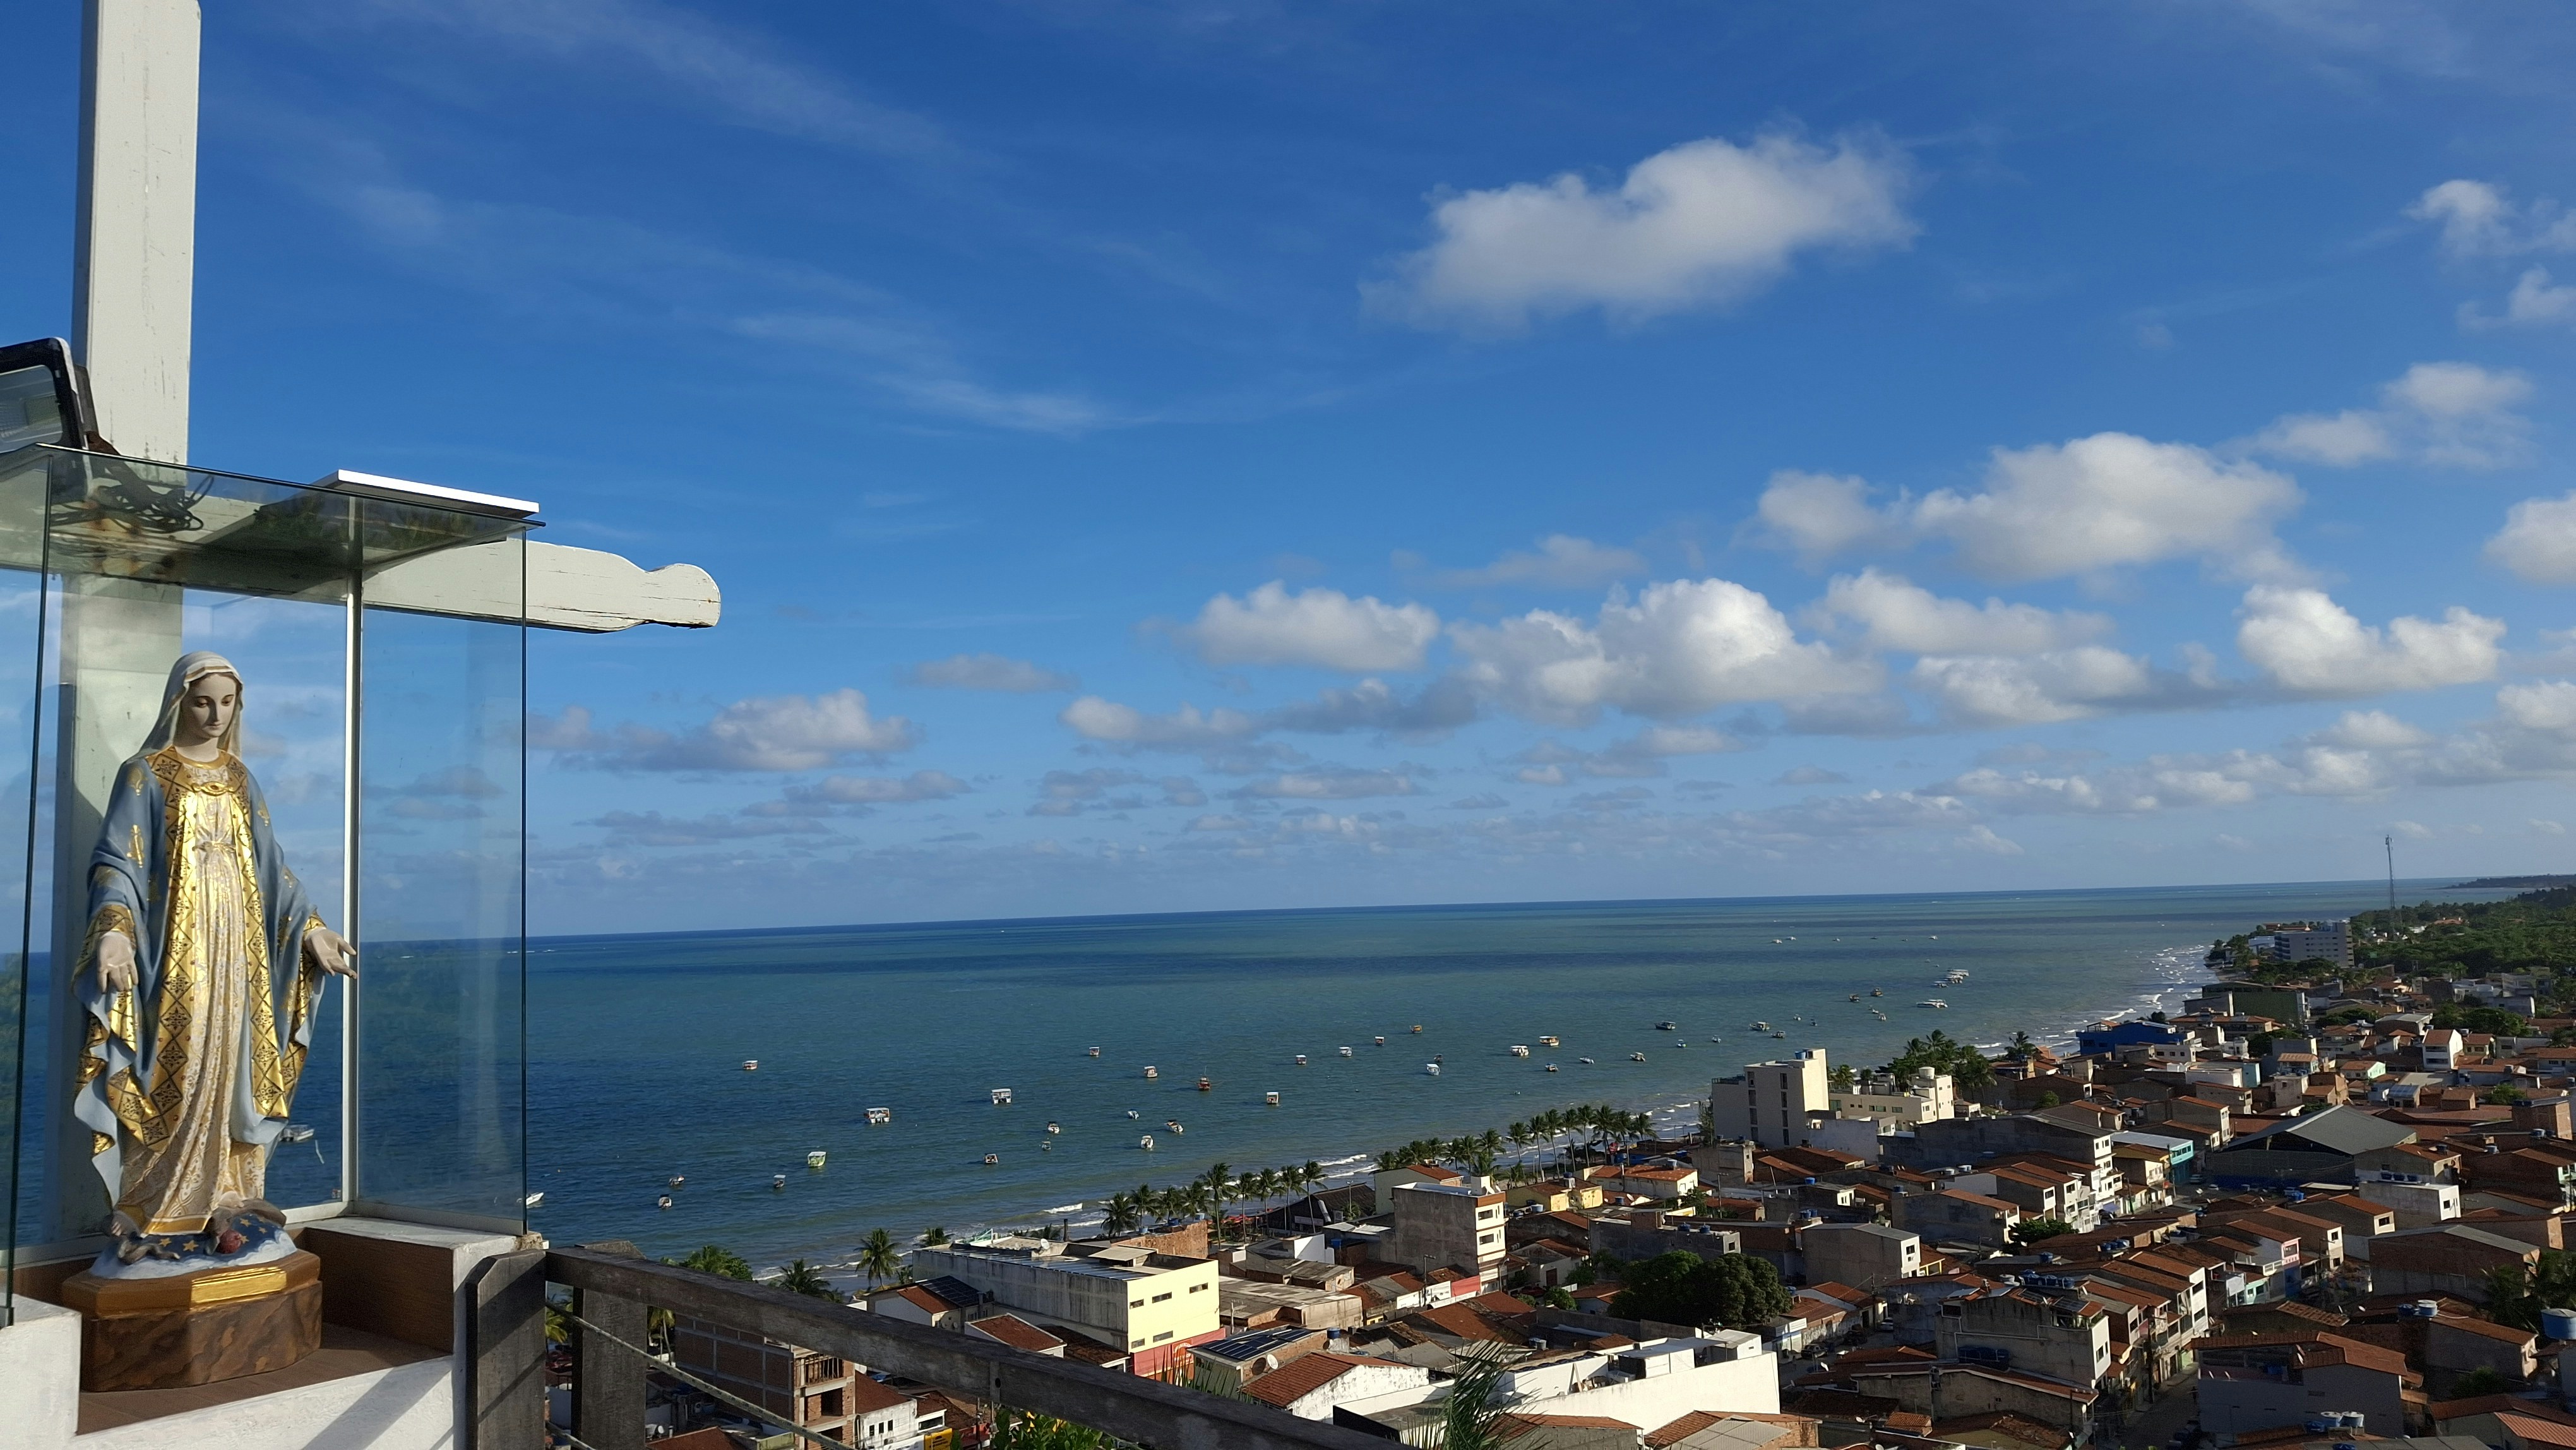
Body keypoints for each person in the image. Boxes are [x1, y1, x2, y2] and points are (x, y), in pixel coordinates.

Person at [71, 651, 357, 1262]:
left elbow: (270, 868)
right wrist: (115, 930)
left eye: (227, 702)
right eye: (204, 700)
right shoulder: (145, 772)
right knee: (178, 1063)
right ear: (179, 699)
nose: (215, 714)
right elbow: (116, 861)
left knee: (234, 1061)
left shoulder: (238, 777)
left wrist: (311, 931)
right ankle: (156, 1203)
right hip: (178, 952)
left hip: (242, 949)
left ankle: (229, 1193)